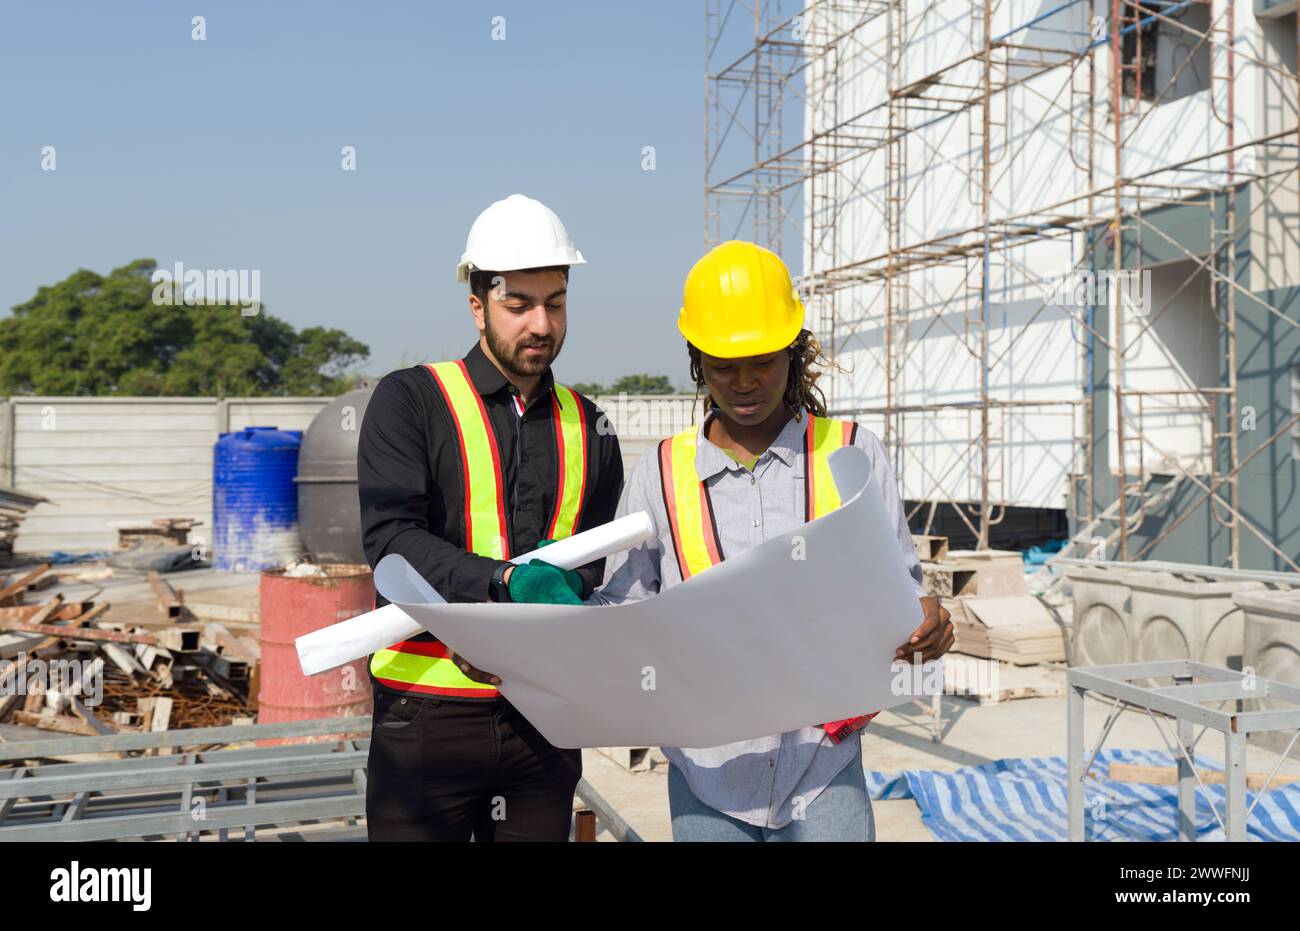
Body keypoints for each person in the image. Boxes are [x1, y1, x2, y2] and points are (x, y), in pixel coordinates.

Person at [512, 239, 953, 841]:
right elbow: (625, 615)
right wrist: (555, 624)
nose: (745, 383)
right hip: (706, 775)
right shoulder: (662, 473)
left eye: (763, 362)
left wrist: (927, 624)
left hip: (824, 766)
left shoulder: (851, 454)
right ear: (697, 361)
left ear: (792, 354)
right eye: (724, 365)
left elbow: (898, 592)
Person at [356, 194, 624, 842]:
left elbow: (589, 561)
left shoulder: (592, 425)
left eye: (555, 302)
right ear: (477, 305)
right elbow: (392, 542)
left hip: (543, 721)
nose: (541, 323)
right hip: (426, 718)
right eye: (519, 304)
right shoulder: (410, 400)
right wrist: (503, 585)